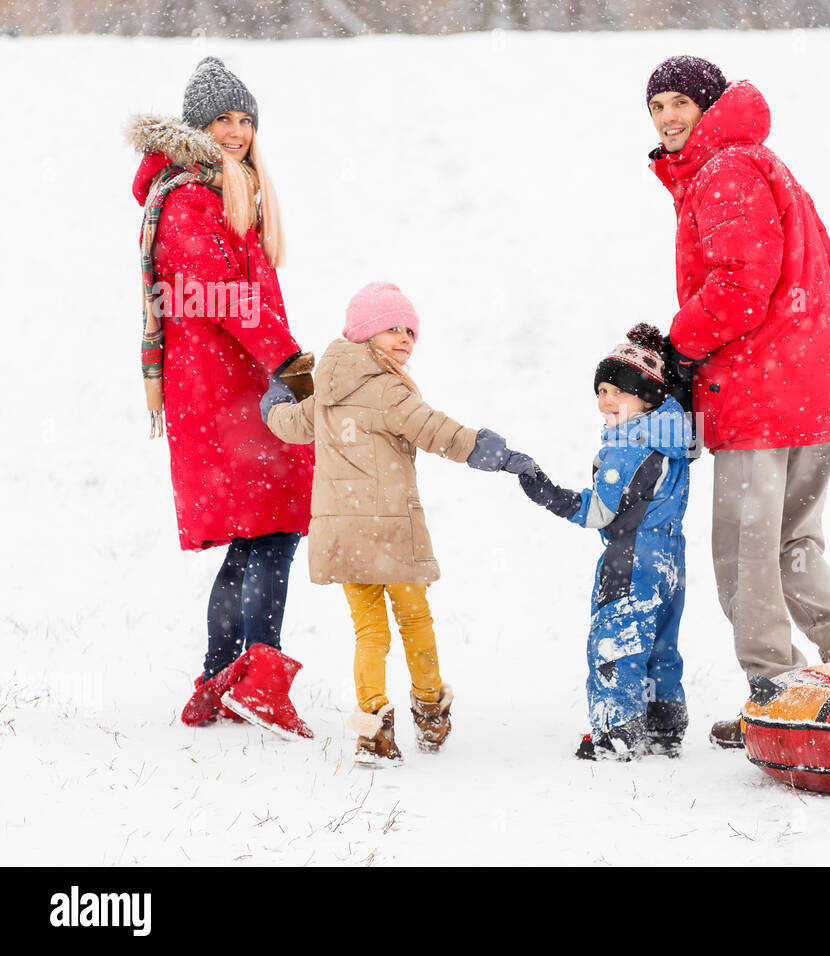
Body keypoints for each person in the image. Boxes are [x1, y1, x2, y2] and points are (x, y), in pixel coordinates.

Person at [644, 56, 830, 749]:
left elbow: (741, 284)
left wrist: (680, 345)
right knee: (794, 544)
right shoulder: (768, 165)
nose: (668, 117)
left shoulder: (725, 172)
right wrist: (816, 343)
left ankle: (777, 693)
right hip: (814, 388)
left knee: (748, 554)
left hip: (760, 396)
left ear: (710, 107)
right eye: (657, 107)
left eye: (681, 102)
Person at [264, 282, 533, 766]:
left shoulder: (325, 392)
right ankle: (429, 710)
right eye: (393, 328)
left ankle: (373, 730)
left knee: (368, 631)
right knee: (414, 620)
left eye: (410, 329)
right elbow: (435, 430)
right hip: (390, 534)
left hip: (343, 536)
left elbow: (291, 425)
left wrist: (274, 403)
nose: (406, 337)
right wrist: (490, 451)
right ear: (366, 334)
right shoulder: (387, 389)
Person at [129, 57, 317, 739]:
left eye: (245, 120)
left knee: (256, 536)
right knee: (273, 528)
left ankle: (218, 680)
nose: (236, 132)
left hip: (237, 386)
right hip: (226, 392)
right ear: (197, 127)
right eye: (223, 120)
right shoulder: (190, 198)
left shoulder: (225, 191)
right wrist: (289, 359)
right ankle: (257, 681)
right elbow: (220, 296)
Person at [517, 325, 692, 760]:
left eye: (617, 391)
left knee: (617, 639)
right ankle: (663, 721)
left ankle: (617, 732)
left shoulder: (626, 447)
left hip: (630, 555)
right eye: (600, 391)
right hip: (669, 555)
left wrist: (548, 494)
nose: (605, 402)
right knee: (660, 640)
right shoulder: (676, 435)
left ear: (646, 397)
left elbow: (600, 511)